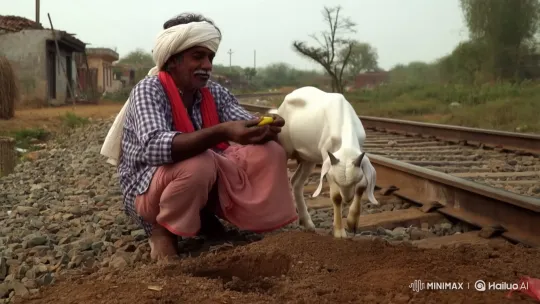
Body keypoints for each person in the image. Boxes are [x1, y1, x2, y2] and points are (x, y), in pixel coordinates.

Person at [114, 13, 298, 260]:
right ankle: (161, 231)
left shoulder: (212, 91)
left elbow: (242, 121)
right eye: (198, 57)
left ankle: (207, 215)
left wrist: (263, 128)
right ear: (172, 61)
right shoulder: (149, 90)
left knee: (271, 151)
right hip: (145, 187)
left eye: (210, 57)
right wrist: (222, 131)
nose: (208, 65)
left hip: (198, 175)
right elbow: (155, 148)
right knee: (200, 163)